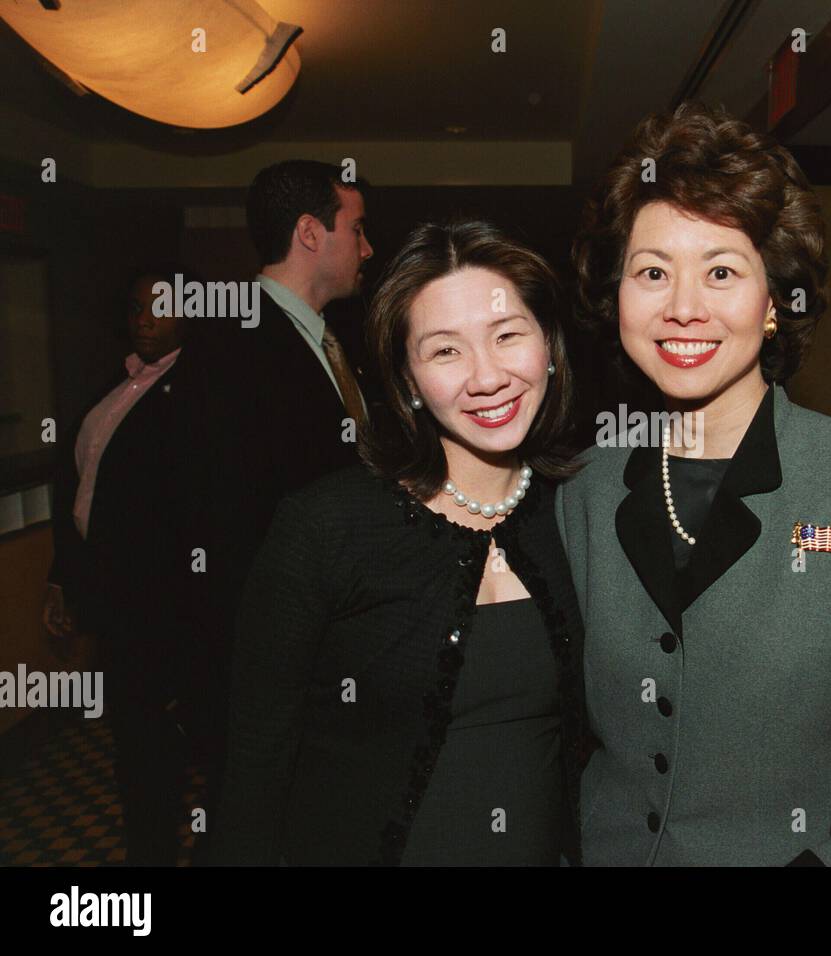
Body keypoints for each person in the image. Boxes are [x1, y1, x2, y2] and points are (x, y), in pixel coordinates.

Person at [560, 103, 831, 866]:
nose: (683, 307)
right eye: (653, 272)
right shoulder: (583, 488)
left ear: (772, 301)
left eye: (721, 272)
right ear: (617, 296)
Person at [212, 221, 586, 866]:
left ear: (548, 346)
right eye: (446, 351)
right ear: (408, 380)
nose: (487, 376)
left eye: (507, 336)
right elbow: (255, 759)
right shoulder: (325, 527)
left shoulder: (585, 509)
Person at [169, 160, 375, 846]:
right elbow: (225, 518)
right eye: (358, 228)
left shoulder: (323, 338)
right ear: (311, 233)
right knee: (250, 818)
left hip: (320, 641)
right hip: (268, 645)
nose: (368, 248)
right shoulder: (234, 343)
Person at [45, 267, 193, 864]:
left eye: (158, 307)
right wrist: (64, 578)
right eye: (135, 307)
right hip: (110, 595)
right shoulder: (119, 381)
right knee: (133, 742)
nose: (143, 319)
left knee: (158, 744)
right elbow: (83, 490)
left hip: (161, 604)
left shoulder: (196, 393)